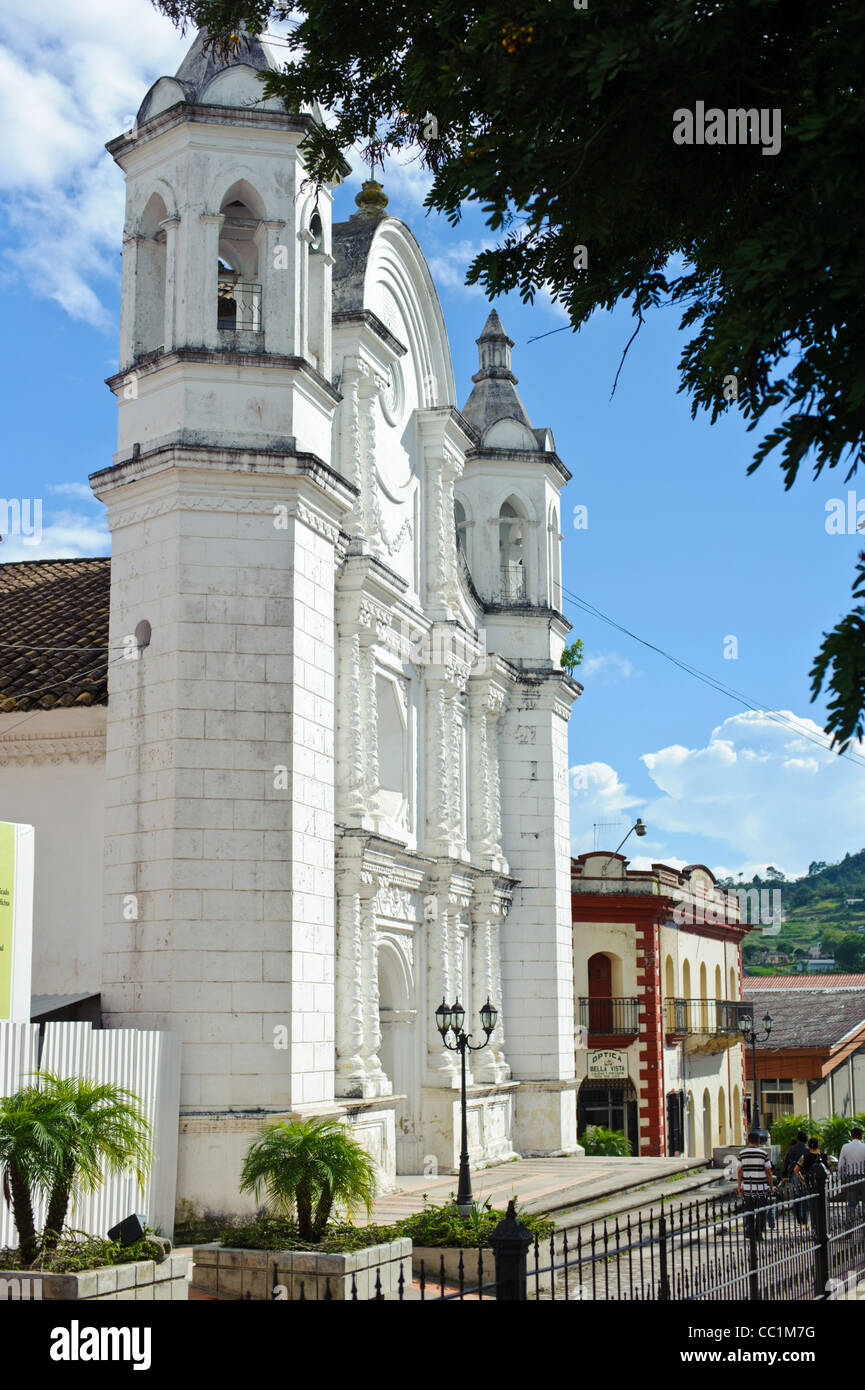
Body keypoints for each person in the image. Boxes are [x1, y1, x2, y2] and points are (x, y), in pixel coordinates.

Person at [738, 1129, 775, 1243]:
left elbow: (739, 1171)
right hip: (761, 1187)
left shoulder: (742, 1154)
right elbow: (768, 1171)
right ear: (758, 1141)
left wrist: (739, 1185)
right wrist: (771, 1185)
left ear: (748, 1140)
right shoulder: (763, 1154)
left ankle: (750, 1231)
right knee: (761, 1211)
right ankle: (758, 1232)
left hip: (748, 1187)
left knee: (749, 1211)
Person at [795, 1137, 830, 1235]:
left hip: (810, 1184)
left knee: (812, 1207)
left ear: (808, 1146)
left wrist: (802, 1178)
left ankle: (815, 1227)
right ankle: (824, 1228)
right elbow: (829, 1168)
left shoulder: (804, 1157)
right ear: (819, 1145)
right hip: (822, 1185)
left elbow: (796, 1170)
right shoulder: (824, 1156)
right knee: (823, 1206)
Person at [781, 1130, 811, 1227]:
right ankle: (805, 1220)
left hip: (795, 1174)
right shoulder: (808, 1149)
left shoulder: (792, 1149)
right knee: (806, 1197)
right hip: (806, 1175)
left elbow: (786, 1162)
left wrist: (784, 1175)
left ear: (797, 1139)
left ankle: (799, 1218)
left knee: (797, 1196)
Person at [838, 1126, 865, 1226]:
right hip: (863, 1177)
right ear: (861, 1137)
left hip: (850, 1178)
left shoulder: (845, 1147)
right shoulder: (864, 1147)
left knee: (851, 1204)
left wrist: (842, 1179)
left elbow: (841, 1165)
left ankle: (849, 1228)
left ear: (851, 1136)